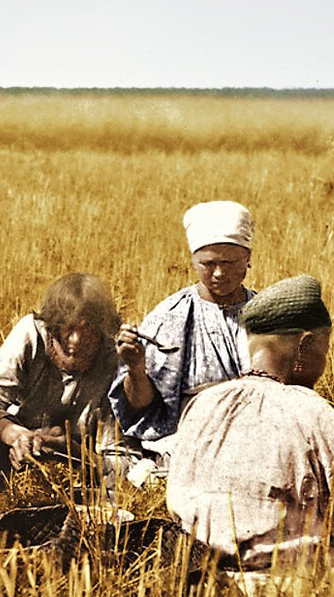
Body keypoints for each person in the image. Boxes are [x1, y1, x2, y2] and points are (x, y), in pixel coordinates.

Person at [166, 275, 334, 570]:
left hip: (195, 579)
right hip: (282, 594)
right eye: (324, 347)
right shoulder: (311, 411)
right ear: (304, 346)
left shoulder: (203, 404)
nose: (323, 360)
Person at [110, 200, 257, 468]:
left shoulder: (268, 314)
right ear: (192, 261)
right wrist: (135, 367)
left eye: (229, 262)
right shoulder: (169, 317)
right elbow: (144, 408)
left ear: (248, 258)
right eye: (208, 263)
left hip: (256, 436)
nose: (219, 273)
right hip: (189, 440)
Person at [0, 272, 120, 470]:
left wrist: (73, 452)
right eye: (69, 327)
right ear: (53, 327)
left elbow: (120, 460)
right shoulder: (32, 334)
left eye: (87, 330)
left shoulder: (113, 361)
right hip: (0, 449)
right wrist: (16, 435)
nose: (76, 339)